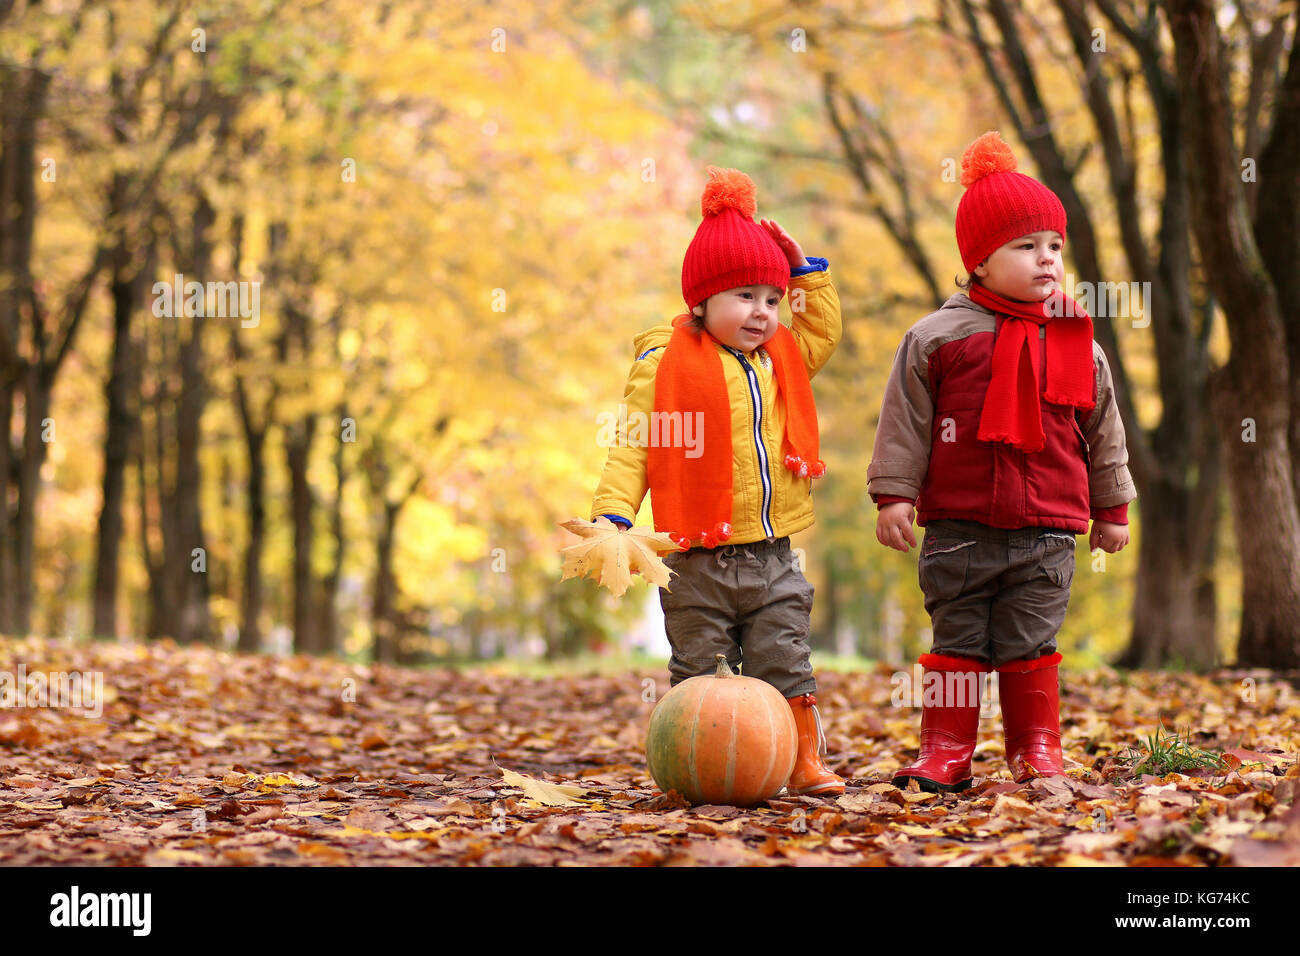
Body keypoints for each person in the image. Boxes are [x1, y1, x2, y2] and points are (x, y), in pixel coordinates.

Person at [867, 132, 1136, 792]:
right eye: (1026, 247)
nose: (1046, 260)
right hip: (960, 530)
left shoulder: (1077, 339)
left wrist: (1113, 506)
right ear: (979, 261)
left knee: (1029, 640)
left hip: (1047, 531)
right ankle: (947, 749)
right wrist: (894, 494)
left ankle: (1035, 746)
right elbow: (906, 422)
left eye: (1054, 247)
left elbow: (1103, 429)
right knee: (958, 639)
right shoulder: (937, 337)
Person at [590, 166, 844, 795]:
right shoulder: (664, 365)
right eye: (745, 297)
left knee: (784, 658)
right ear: (701, 302)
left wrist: (806, 272)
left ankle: (801, 759)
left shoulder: (781, 357)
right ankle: (698, 761)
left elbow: (823, 331)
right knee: (700, 667)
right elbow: (634, 445)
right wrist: (615, 512)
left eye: (772, 298)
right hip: (695, 557)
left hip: (771, 554)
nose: (762, 312)